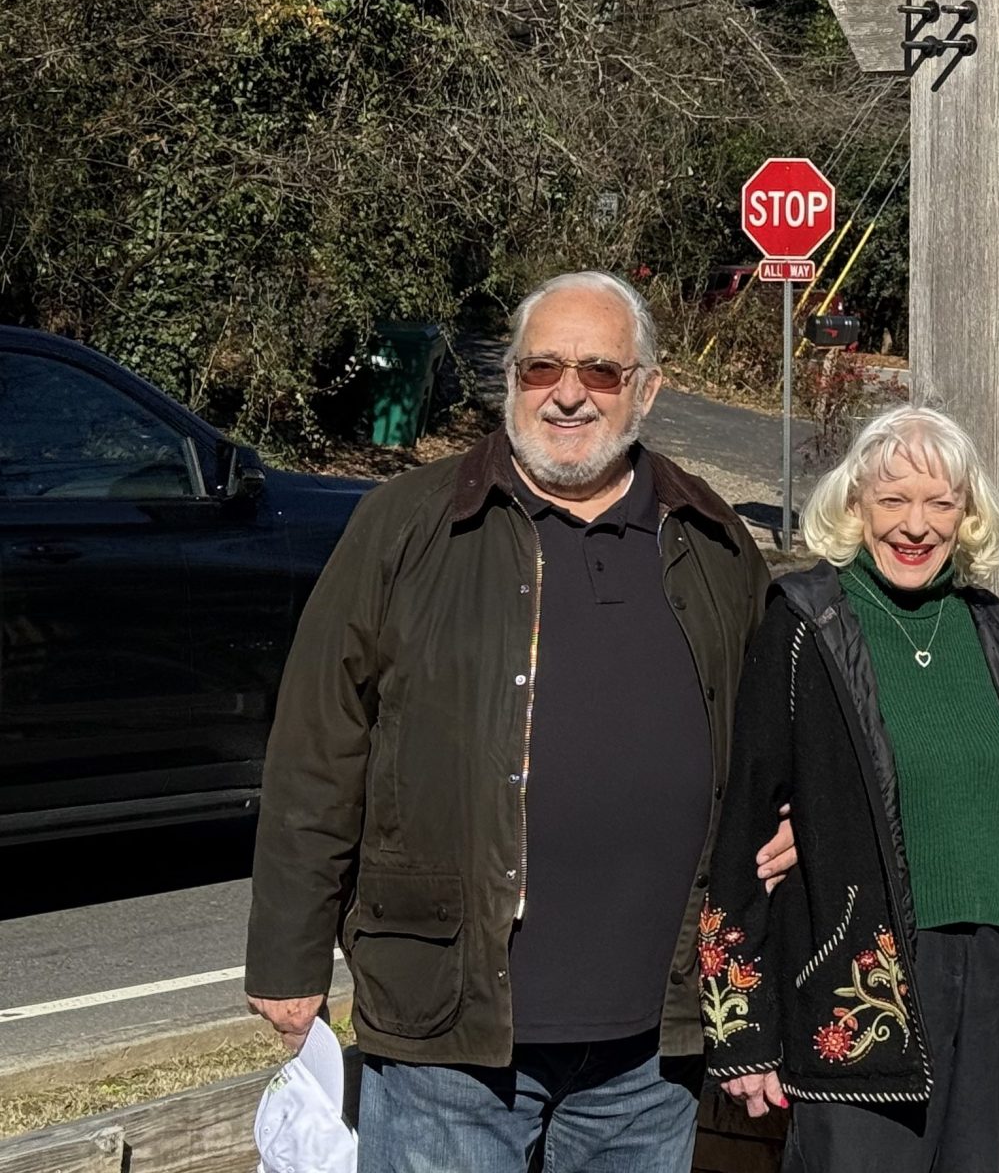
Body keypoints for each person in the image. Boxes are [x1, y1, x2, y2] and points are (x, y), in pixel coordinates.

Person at [245, 270, 796, 1173]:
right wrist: (286, 955)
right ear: (511, 383)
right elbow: (317, 747)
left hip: (653, 1040)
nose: (568, 393)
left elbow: (779, 722)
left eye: (600, 372)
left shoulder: (712, 538)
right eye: (541, 368)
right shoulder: (408, 526)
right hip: (446, 1032)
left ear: (648, 389)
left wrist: (795, 817)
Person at [701, 404, 999, 1173]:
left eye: (940, 503)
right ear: (855, 506)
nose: (916, 525)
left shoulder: (997, 636)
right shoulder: (808, 625)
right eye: (893, 500)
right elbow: (747, 822)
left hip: (985, 985)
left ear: (967, 514)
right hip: (854, 985)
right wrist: (740, 1027)